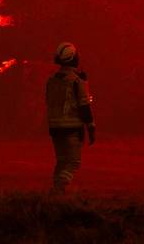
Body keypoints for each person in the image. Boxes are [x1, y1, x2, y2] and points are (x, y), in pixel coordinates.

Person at [45, 41, 95, 194]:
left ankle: (55, 192)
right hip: (72, 128)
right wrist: (91, 127)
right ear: (73, 58)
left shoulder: (51, 80)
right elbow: (84, 105)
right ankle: (59, 188)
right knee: (73, 162)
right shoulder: (76, 81)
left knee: (61, 162)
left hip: (54, 128)